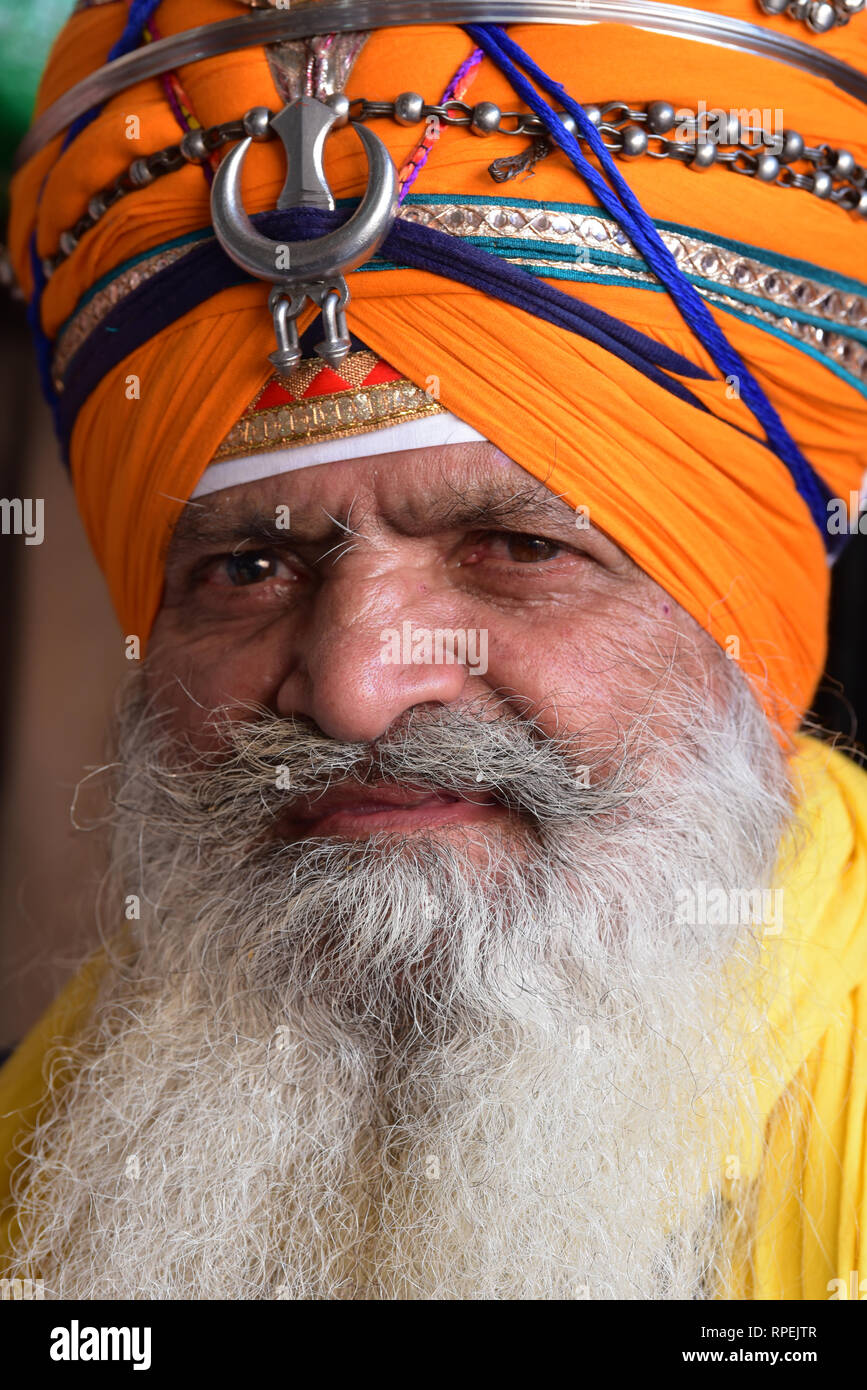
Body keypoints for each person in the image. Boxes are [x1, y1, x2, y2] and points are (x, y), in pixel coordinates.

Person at [2, 0, 867, 1300]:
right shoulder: (43, 1170)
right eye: (246, 568)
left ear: (749, 628)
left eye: (516, 549)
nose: (353, 686)